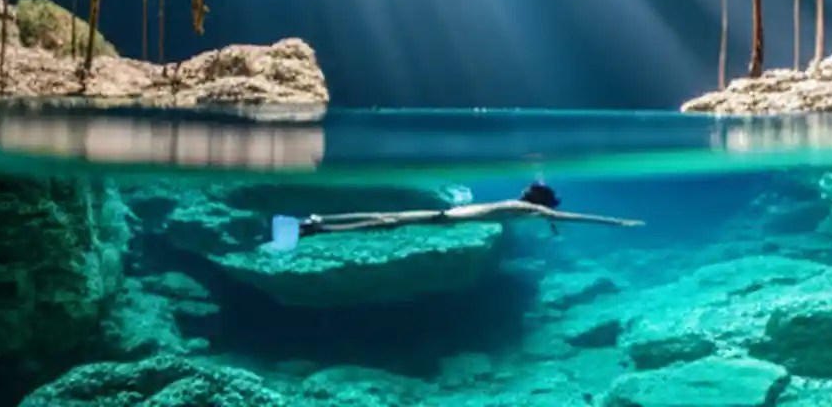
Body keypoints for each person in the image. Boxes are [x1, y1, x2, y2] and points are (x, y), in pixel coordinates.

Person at [267, 180, 642, 250]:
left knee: (385, 218)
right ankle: (316, 228)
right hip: (445, 219)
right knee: (385, 224)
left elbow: (553, 218)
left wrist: (550, 221)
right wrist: (616, 222)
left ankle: (319, 221)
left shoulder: (523, 206)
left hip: (445, 215)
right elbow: (572, 217)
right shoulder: (532, 208)